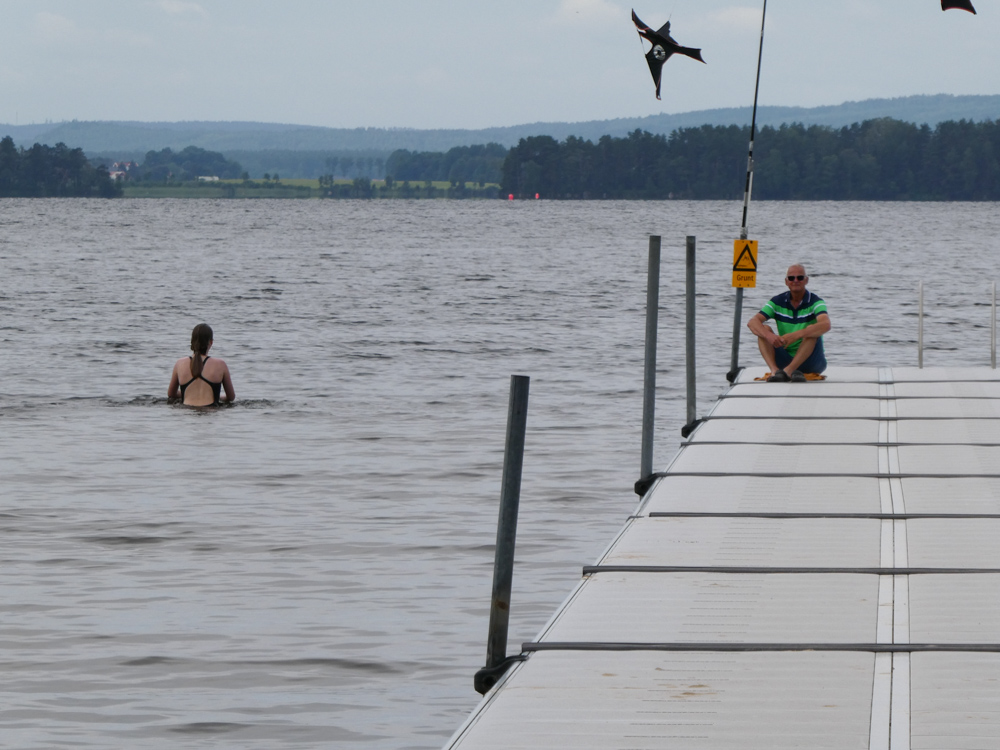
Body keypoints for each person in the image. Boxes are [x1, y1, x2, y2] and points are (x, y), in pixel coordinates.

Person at [747, 263, 831, 382]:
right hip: (785, 358)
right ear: (786, 282)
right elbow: (752, 322)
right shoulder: (777, 301)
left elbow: (826, 325)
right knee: (763, 329)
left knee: (812, 330)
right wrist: (770, 336)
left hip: (812, 361)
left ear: (806, 280)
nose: (795, 281)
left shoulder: (816, 302)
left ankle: (788, 371)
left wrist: (795, 336)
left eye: (800, 278)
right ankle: (775, 371)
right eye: (791, 278)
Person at [168, 323, 235, 406]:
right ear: (211, 342)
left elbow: (171, 394)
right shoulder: (220, 365)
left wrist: (189, 394)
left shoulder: (180, 364)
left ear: (192, 341)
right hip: (211, 412)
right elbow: (231, 397)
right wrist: (219, 397)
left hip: (187, 412)